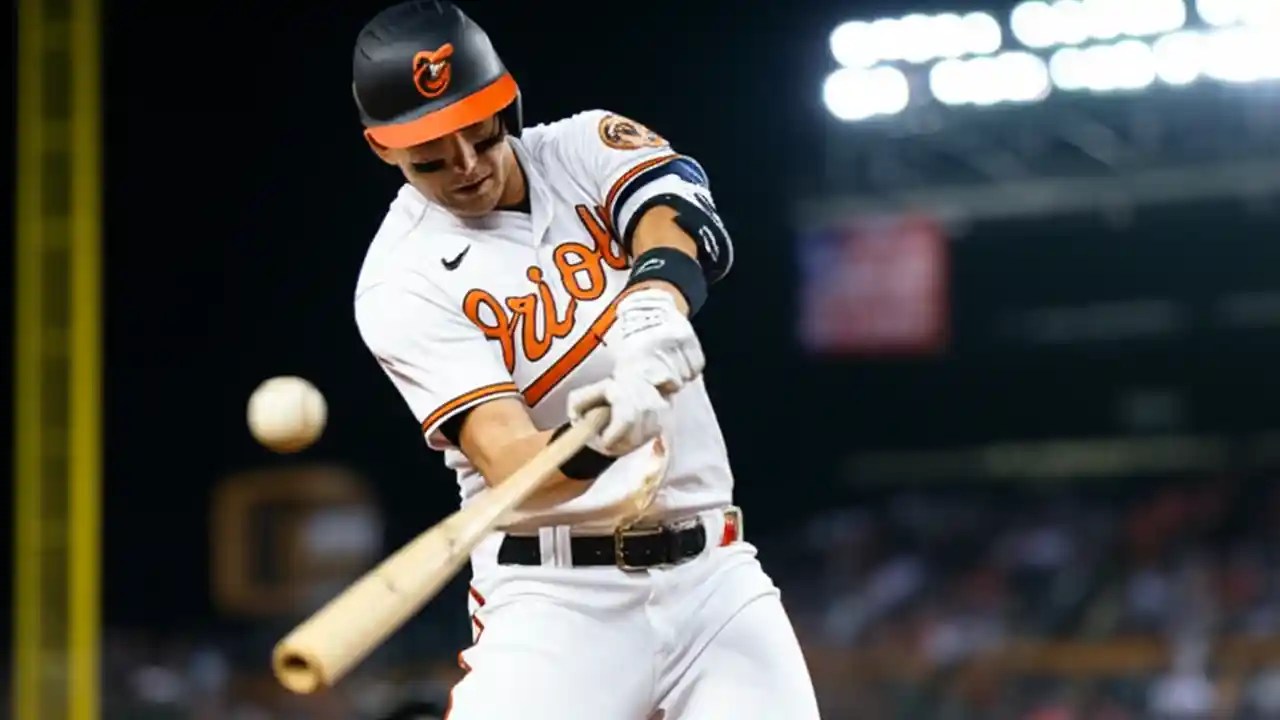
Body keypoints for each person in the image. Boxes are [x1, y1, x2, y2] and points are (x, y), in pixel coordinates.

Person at [350, 2, 821, 718]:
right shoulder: (400, 280)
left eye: (477, 130)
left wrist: (652, 306)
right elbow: (512, 465)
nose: (467, 165)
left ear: (507, 96)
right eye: (431, 155)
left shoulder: (582, 146)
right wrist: (602, 435)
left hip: (714, 580)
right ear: (382, 149)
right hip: (556, 598)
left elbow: (676, 213)